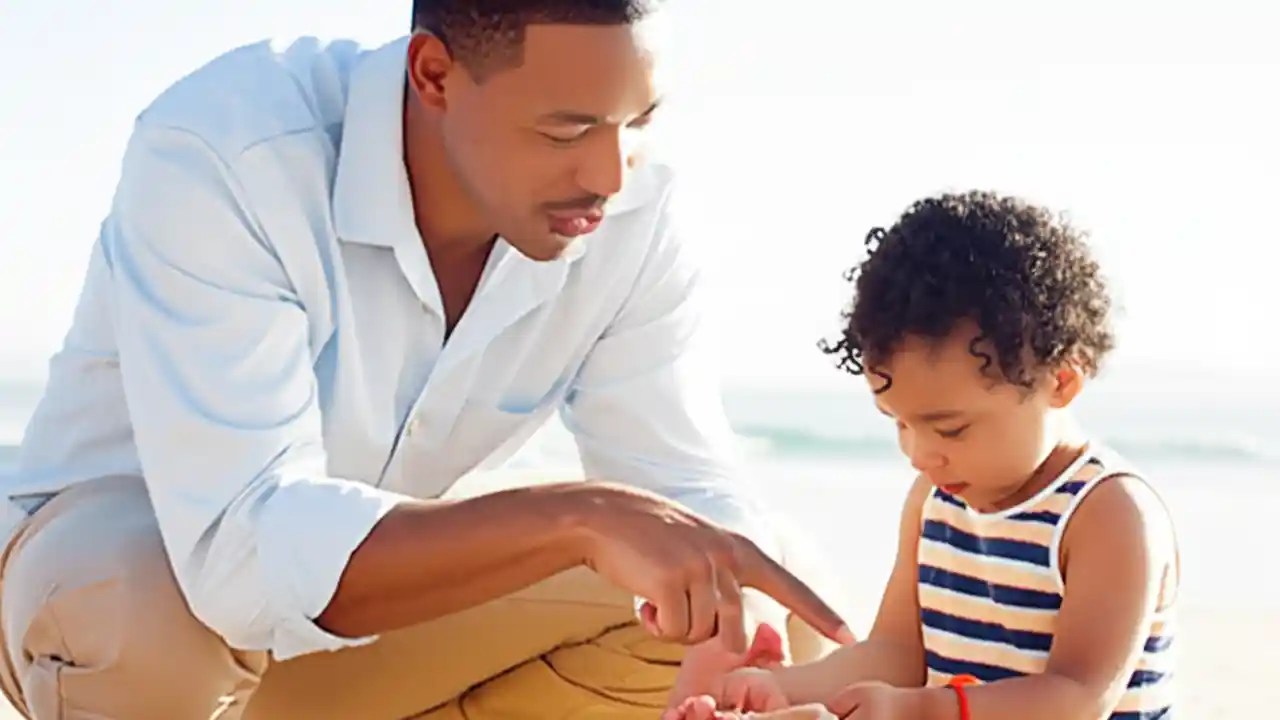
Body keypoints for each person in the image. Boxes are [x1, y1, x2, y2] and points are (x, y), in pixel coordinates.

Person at [0, 1, 855, 717]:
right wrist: (582, 516)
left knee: (751, 591)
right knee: (137, 606)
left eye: (636, 123)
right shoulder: (231, 150)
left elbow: (687, 489)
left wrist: (724, 641)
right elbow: (239, 552)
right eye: (567, 129)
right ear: (434, 75)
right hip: (119, 608)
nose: (610, 174)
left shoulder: (630, 215)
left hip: (355, 633)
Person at [670, 191, 1180, 719]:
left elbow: (1077, 697)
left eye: (951, 430)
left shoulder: (1107, 514)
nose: (919, 454)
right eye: (900, 423)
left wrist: (917, 711)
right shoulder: (936, 499)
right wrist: (785, 688)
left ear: (1061, 380)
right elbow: (896, 655)